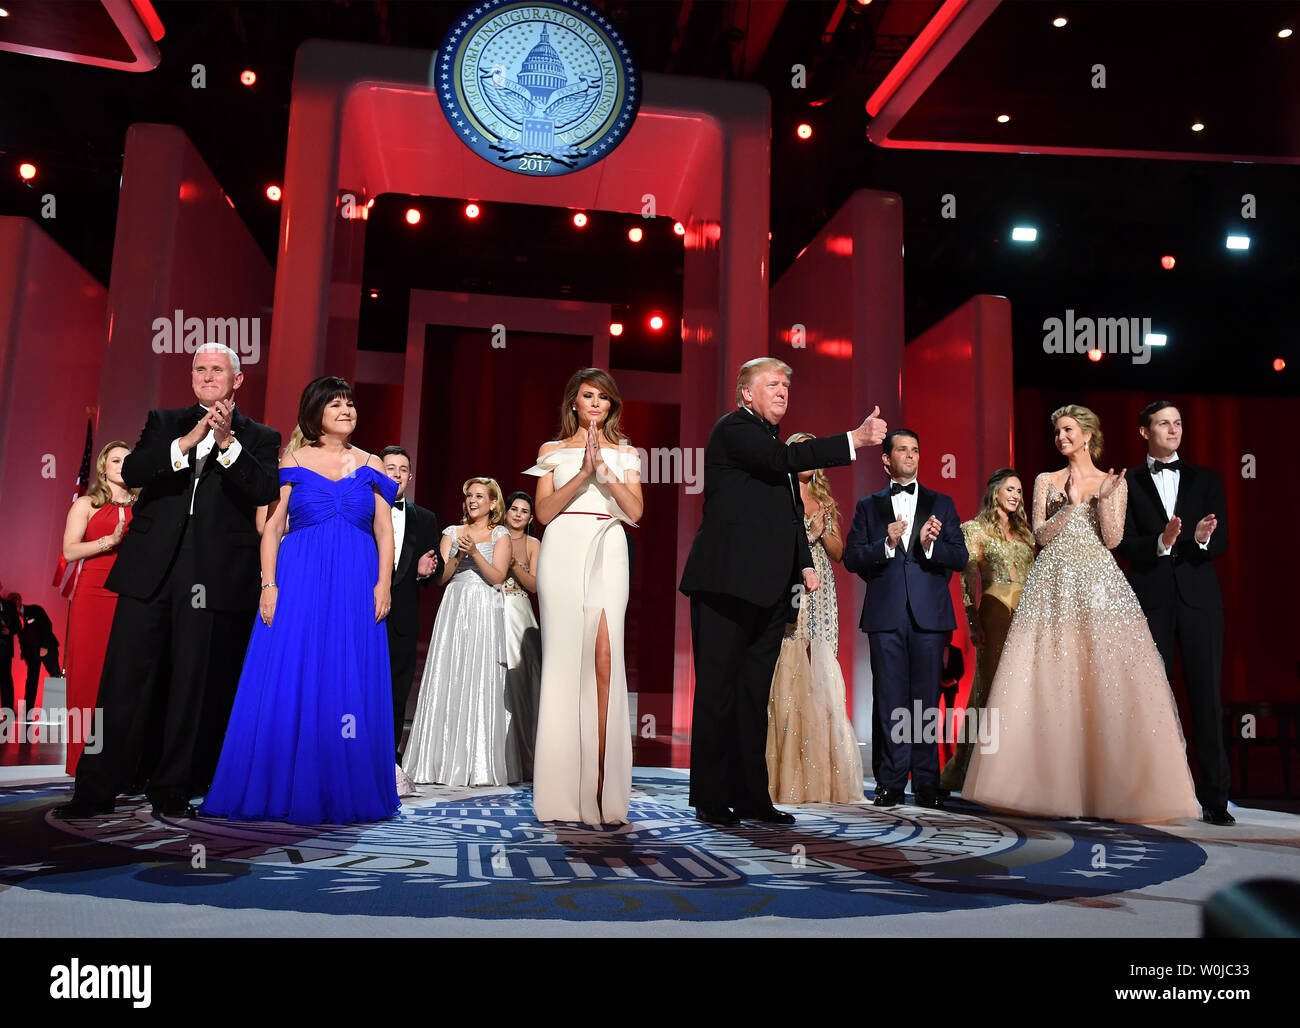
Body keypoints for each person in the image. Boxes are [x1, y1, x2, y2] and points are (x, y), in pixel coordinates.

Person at [57, 344, 280, 819]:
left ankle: (172, 788)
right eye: (199, 368)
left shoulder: (260, 436)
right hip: (150, 567)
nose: (206, 376)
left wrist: (224, 444)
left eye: (216, 369)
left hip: (212, 574)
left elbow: (263, 489)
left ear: (237, 380)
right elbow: (135, 470)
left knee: (190, 688)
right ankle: (96, 787)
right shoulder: (164, 421)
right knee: (123, 682)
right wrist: (188, 441)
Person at [964, 405, 1199, 822]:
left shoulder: (1114, 481)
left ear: (1087, 435)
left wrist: (1105, 501)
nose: (1061, 438)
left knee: (1103, 679)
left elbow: (1112, 540)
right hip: (1052, 584)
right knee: (1051, 677)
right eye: (1056, 432)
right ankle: (1047, 788)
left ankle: (1107, 789)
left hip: (1098, 584)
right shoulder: (1045, 480)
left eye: (1068, 430)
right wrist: (1071, 505)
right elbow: (1039, 535)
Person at [680, 357, 887, 826]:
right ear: (746, 394)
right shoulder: (735, 430)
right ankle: (711, 797)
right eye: (772, 384)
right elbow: (784, 461)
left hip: (770, 591)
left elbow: (791, 517)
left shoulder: (770, 445)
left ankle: (752, 796)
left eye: (786, 387)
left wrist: (802, 569)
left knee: (755, 694)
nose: (781, 392)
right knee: (719, 691)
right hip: (725, 585)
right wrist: (853, 440)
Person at [201, 377, 400, 823]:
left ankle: (340, 785)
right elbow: (271, 529)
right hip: (299, 576)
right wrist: (268, 585)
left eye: (350, 403)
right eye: (335, 404)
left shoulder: (372, 464)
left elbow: (384, 532)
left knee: (345, 673)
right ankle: (280, 782)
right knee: (292, 667)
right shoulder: (291, 459)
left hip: (355, 579)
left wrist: (383, 584)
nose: (346, 410)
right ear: (315, 413)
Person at [528, 369, 643, 826]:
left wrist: (605, 473)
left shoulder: (627, 452)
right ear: (574, 402)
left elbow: (635, 511)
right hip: (562, 549)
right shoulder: (550, 451)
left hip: (609, 543)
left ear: (611, 406)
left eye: (604, 398)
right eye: (588, 396)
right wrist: (581, 474)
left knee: (603, 661)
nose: (596, 403)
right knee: (564, 664)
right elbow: (542, 513)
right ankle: (561, 795)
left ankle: (601, 790)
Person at [1116, 401, 1233, 826]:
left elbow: (1221, 544)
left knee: (1206, 698)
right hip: (1151, 601)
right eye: (1164, 423)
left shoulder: (1207, 479)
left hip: (1201, 602)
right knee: (1151, 702)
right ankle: (1151, 795)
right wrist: (1161, 542)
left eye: (1178, 423)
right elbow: (1123, 544)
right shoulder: (1127, 482)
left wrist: (1200, 539)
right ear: (1144, 431)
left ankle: (1216, 801)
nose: (1173, 429)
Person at [843, 429, 968, 809]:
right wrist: (886, 544)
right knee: (890, 701)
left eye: (915, 449)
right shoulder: (869, 506)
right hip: (886, 616)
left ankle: (927, 784)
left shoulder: (941, 503)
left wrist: (930, 546)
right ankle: (891, 783)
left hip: (929, 617)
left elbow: (959, 557)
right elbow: (851, 559)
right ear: (886, 459)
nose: (910, 455)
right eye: (902, 450)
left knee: (926, 703)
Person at [764, 432, 864, 804]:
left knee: (819, 664)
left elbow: (840, 553)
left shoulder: (823, 500)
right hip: (790, 584)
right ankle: (782, 773)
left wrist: (822, 533)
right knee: (788, 664)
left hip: (821, 588)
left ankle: (820, 775)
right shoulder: (779, 493)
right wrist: (808, 536)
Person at [401, 477, 513, 787]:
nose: (472, 501)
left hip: (485, 608)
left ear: (493, 503)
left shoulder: (500, 534)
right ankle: (438, 760)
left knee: (479, 676)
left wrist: (476, 553)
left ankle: (477, 763)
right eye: (469, 496)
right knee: (450, 674)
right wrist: (459, 555)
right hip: (455, 606)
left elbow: (498, 577)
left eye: (480, 496)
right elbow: (441, 579)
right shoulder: (451, 533)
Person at [939, 468, 1035, 792]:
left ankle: (1018, 768)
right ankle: (975, 767)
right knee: (991, 688)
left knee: (1023, 689)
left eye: (1019, 491)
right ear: (995, 491)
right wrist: (972, 620)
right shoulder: (975, 529)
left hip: (1026, 616)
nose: (1015, 496)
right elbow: (967, 579)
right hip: (994, 611)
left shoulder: (1025, 534)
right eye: (1010, 489)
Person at [60, 440, 138, 774]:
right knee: (88, 679)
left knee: (125, 681)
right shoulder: (87, 504)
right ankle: (81, 762)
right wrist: (109, 541)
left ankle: (120, 764)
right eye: (116, 460)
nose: (122, 465)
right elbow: (70, 551)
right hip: (93, 597)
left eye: (128, 461)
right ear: (103, 467)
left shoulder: (144, 505)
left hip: (131, 597)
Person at [379, 445, 441, 780]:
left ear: (410, 477)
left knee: (395, 692)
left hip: (402, 618)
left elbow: (438, 564)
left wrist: (423, 569)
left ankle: (388, 760)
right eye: (390, 468)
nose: (397, 474)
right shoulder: (361, 510)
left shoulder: (424, 518)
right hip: (361, 615)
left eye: (403, 469)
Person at [501, 491, 542, 783]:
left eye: (524, 511)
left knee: (520, 684)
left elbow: (536, 585)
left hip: (518, 611)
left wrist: (514, 565)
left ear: (530, 519)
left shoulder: (533, 544)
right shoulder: (492, 535)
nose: (517, 514)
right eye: (513, 508)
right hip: (490, 607)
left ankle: (523, 759)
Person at [14, 595, 60, 717]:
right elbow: (21, 638)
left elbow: (48, 625)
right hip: (32, 654)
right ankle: (28, 712)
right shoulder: (15, 619)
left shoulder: (35, 609)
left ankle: (56, 711)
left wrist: (44, 647)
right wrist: (25, 655)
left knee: (55, 675)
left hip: (48, 649)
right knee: (31, 682)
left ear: (20, 602)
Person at [0, 586, 19, 720]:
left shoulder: (9, 605)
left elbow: (18, 625)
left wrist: (10, 631)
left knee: (6, 680)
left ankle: (8, 710)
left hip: (5, 650)